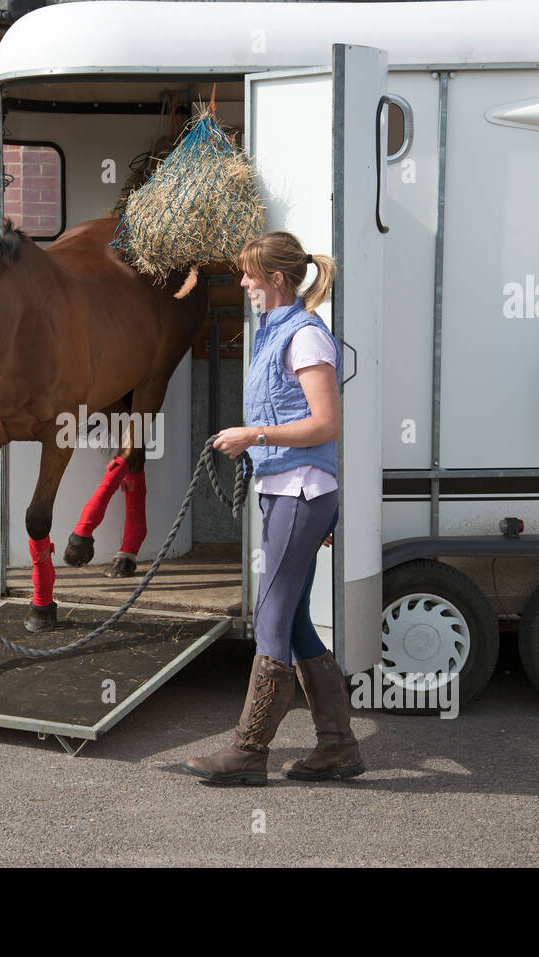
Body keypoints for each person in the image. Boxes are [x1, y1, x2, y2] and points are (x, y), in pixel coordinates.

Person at [184, 231, 364, 786]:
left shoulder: (306, 337)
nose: (243, 283)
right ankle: (337, 747)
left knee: (271, 616)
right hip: (289, 492)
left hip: (300, 491)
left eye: (248, 275)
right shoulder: (272, 332)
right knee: (294, 620)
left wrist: (252, 436)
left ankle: (248, 751)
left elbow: (327, 423)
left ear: (276, 280)